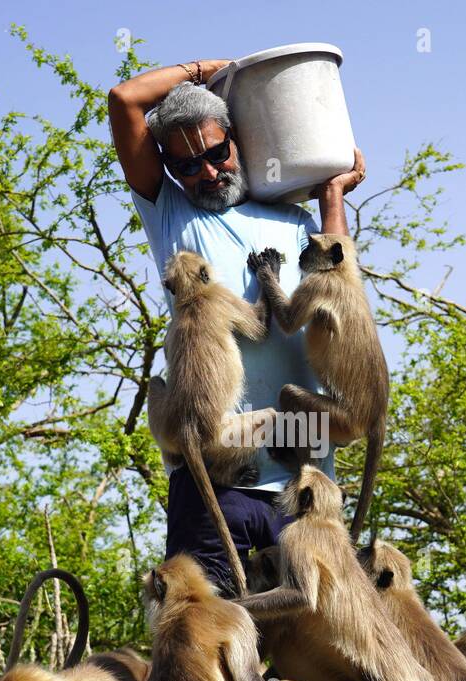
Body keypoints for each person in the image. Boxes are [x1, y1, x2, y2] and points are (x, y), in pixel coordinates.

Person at [109, 58, 366, 595]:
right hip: (217, 480)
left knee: (322, 655)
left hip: (305, 478)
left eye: (215, 153)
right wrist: (208, 70)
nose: (206, 172)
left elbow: (341, 288)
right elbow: (125, 101)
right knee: (202, 643)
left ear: (237, 139)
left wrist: (332, 199)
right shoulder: (173, 215)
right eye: (187, 165)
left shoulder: (294, 222)